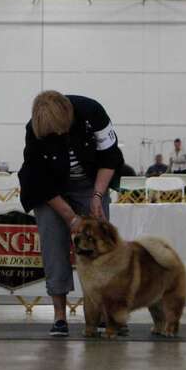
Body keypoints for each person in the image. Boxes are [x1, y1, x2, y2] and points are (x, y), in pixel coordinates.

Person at [17, 90, 123, 337]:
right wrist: (70, 217)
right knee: (53, 246)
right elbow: (38, 180)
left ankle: (101, 314)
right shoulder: (35, 130)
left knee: (101, 248)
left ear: (68, 116)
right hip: (50, 190)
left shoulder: (92, 112)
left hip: (91, 181)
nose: (57, 136)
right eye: (50, 133)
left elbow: (110, 156)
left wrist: (97, 195)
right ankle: (59, 316)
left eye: (59, 130)